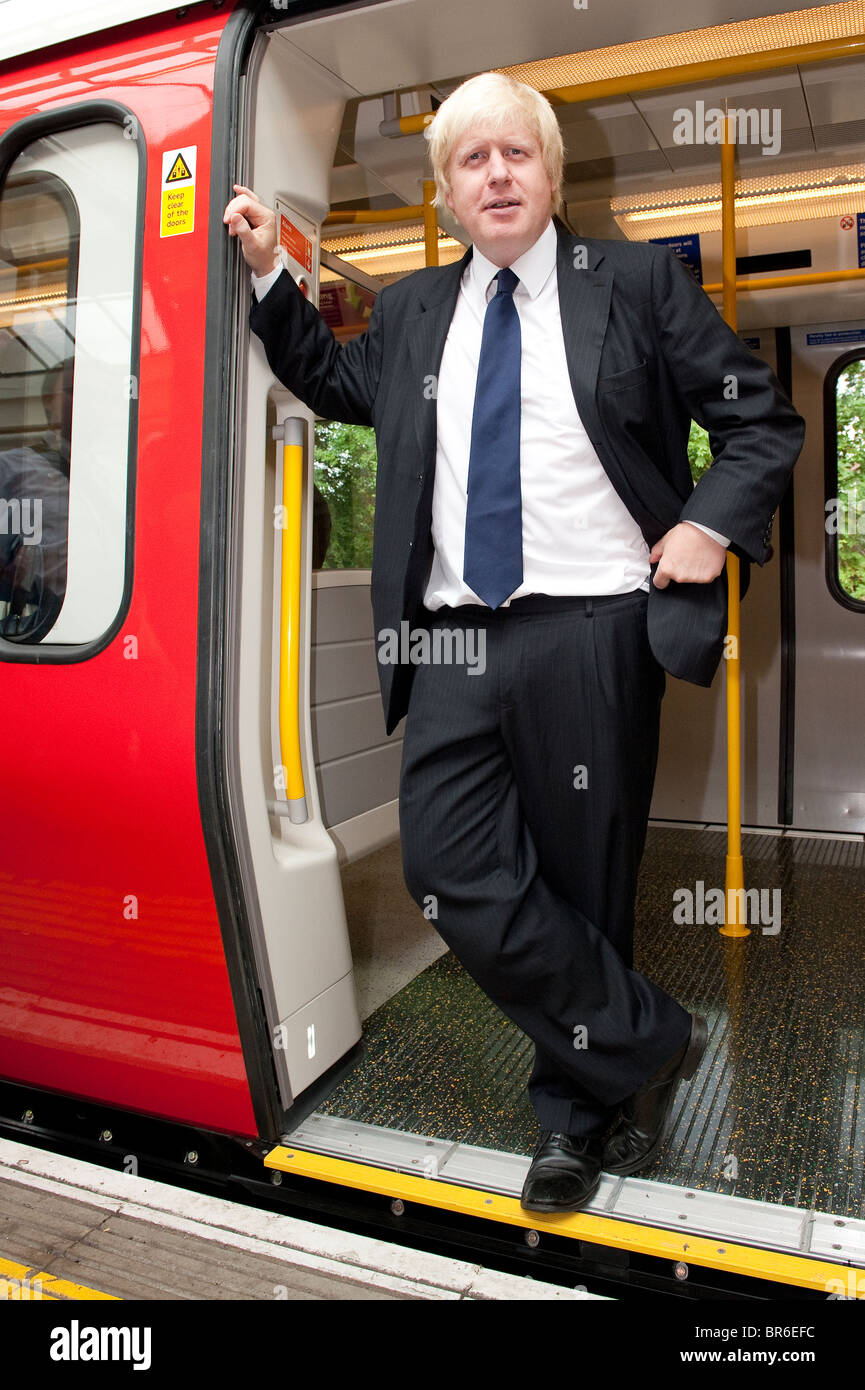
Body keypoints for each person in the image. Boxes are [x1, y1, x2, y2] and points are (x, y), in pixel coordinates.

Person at [223, 71, 804, 1212]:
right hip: (450, 638)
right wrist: (270, 277)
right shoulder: (414, 311)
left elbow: (758, 418)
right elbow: (338, 388)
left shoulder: (635, 282)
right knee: (446, 869)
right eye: (471, 160)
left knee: (585, 883)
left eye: (515, 155)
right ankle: (643, 1038)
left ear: (551, 174)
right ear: (445, 193)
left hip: (592, 629)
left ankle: (572, 1119)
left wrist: (702, 524)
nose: (496, 174)